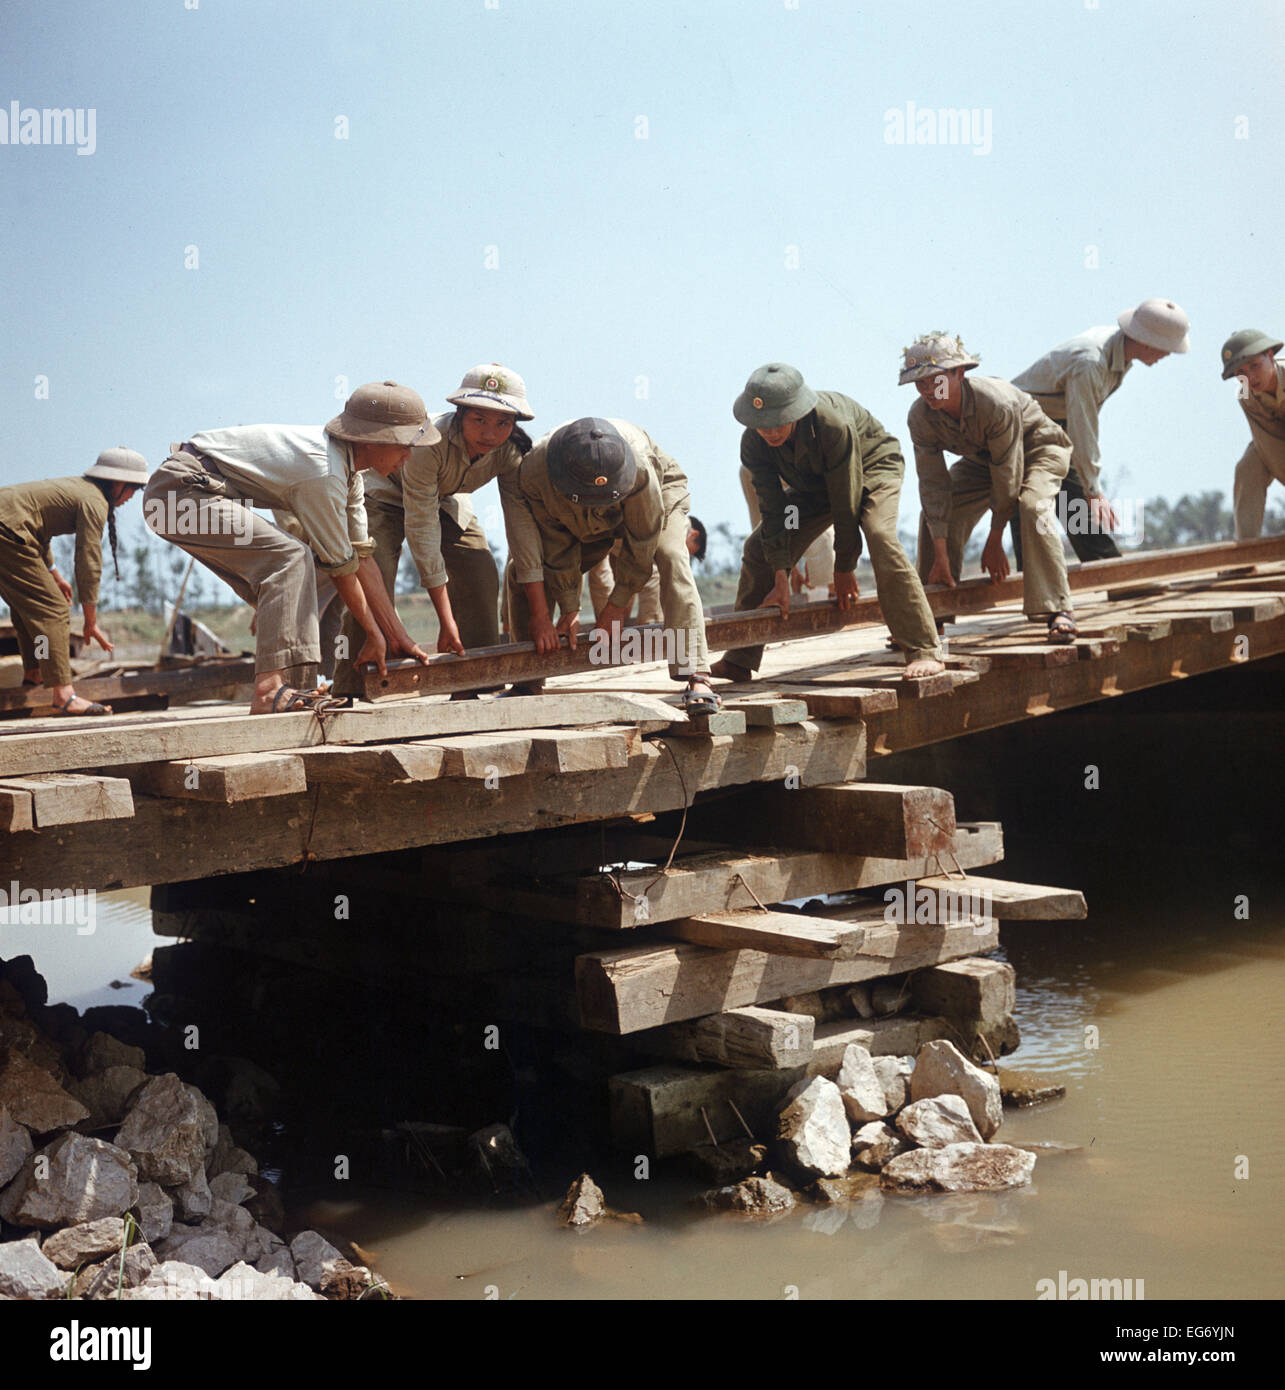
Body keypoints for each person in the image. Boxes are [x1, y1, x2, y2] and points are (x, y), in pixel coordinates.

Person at [143, 380, 433, 715]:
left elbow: (361, 559)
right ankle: (269, 691)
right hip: (176, 495)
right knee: (290, 559)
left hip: (192, 495)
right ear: (376, 440)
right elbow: (340, 568)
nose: (409, 456)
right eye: (404, 446)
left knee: (294, 563)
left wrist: (396, 635)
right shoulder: (324, 472)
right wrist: (373, 632)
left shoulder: (349, 472)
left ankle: (295, 688)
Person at [710, 362, 944, 683]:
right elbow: (774, 508)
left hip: (873, 468)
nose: (771, 431)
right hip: (815, 484)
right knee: (757, 548)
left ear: (795, 411)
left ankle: (924, 649)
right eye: (762, 424)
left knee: (879, 535)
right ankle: (740, 658)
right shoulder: (754, 443)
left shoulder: (831, 424)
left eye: (778, 422)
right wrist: (781, 572)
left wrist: (844, 566)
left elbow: (846, 499)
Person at [330, 364, 539, 699]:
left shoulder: (511, 451)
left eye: (503, 422)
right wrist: (445, 619)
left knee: (480, 572)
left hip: (444, 498)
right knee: (373, 580)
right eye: (479, 420)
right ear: (460, 414)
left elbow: (520, 522)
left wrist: (539, 606)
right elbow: (421, 527)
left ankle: (473, 678)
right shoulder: (430, 443)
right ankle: (352, 688)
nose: (490, 433)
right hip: (385, 494)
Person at [504, 417, 719, 712]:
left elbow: (641, 543)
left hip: (657, 494)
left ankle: (697, 675)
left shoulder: (641, 471)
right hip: (576, 514)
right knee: (519, 571)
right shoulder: (535, 472)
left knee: (671, 556)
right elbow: (556, 545)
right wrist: (569, 607)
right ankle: (526, 680)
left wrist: (617, 607)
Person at [901, 333, 1077, 641]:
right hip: (983, 460)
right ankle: (933, 614)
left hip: (1037, 449)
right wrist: (940, 555)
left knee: (1033, 506)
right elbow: (933, 485)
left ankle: (1057, 608)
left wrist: (995, 539)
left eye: (936, 380)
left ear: (959, 373)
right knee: (936, 514)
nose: (928, 390)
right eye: (920, 383)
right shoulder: (920, 417)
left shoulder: (995, 402)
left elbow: (1008, 474)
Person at [1008, 298, 1191, 565]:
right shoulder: (1092, 362)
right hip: (1019, 426)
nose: (1166, 355)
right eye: (1166, 349)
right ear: (1147, 340)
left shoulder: (1119, 352)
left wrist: (1089, 485)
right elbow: (1083, 426)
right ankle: (1037, 591)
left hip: (1052, 425)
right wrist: (1095, 490)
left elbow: (1081, 421)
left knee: (1075, 503)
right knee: (1031, 503)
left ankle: (1109, 571)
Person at [0, 447, 148, 715]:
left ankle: (34, 677)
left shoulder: (78, 489)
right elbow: (88, 561)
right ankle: (64, 694)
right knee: (53, 609)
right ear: (118, 483)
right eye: (133, 490)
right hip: (6, 531)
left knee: (29, 612)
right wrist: (91, 621)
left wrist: (54, 573)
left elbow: (36, 530)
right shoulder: (95, 502)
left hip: (8, 528)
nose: (130, 498)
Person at [1221, 329, 1285, 539]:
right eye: (1241, 373)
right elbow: (1270, 445)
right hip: (1277, 437)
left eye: (1255, 366)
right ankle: (1246, 549)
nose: (1250, 377)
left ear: (1270, 355)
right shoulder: (1246, 395)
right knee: (1249, 467)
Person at [739, 463, 836, 598]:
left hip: (814, 502)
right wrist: (791, 567)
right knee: (759, 548)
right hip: (779, 522)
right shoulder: (751, 469)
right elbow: (766, 523)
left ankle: (832, 592)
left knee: (825, 538)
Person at [586, 516, 706, 623]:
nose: (685, 554)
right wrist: (650, 624)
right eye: (687, 551)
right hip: (621, 529)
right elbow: (651, 574)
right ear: (693, 534)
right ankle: (646, 633)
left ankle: (610, 627)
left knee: (602, 569)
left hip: (601, 520)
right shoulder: (680, 525)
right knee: (652, 574)